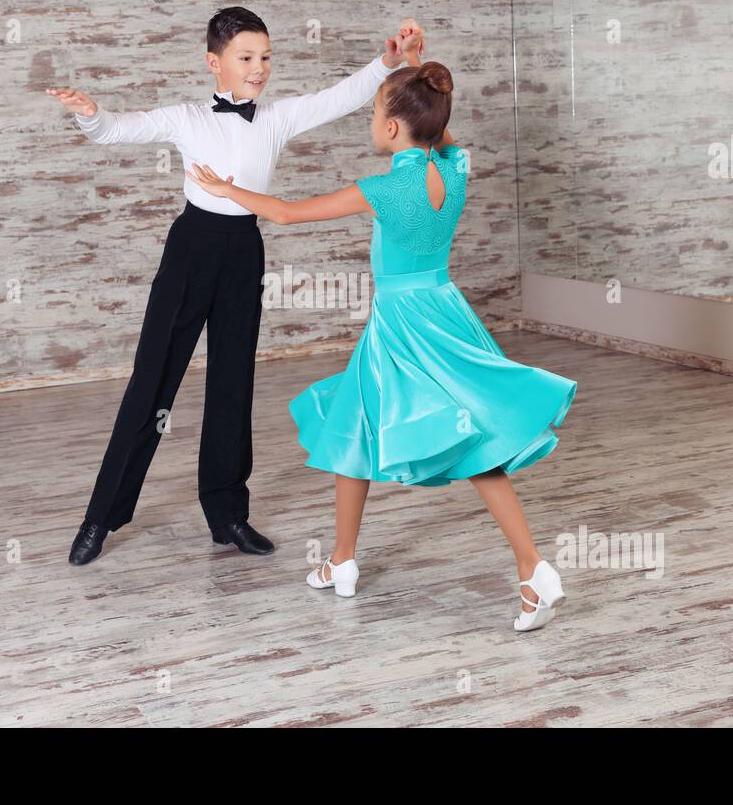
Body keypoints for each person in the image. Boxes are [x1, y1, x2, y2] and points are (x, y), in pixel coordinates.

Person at [185, 40, 578, 632]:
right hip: (444, 308)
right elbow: (440, 136)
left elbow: (287, 213)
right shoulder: (457, 166)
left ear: (393, 127)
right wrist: (416, 85)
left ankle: (532, 568)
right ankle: (344, 561)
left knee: (448, 440)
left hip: (404, 324)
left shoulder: (386, 188)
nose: (370, 124)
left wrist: (227, 190)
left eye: (374, 116)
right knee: (370, 424)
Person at [47, 7, 424, 566]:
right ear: (214, 63)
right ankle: (100, 518)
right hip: (191, 250)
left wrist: (386, 62)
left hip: (243, 248)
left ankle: (227, 515)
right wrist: (90, 113)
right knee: (153, 380)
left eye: (265, 57)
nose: (259, 68)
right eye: (246, 58)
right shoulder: (188, 118)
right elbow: (117, 130)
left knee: (233, 381)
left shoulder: (274, 119)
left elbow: (337, 98)